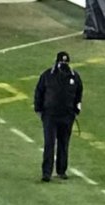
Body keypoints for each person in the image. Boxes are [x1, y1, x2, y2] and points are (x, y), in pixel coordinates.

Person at [34, 51, 83, 182]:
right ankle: (46, 173)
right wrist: (38, 109)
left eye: (66, 62)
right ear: (57, 62)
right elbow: (39, 92)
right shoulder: (47, 75)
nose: (64, 65)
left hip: (67, 116)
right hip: (50, 115)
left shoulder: (74, 77)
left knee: (63, 143)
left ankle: (61, 170)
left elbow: (79, 95)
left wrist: (76, 111)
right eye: (62, 62)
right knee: (49, 143)